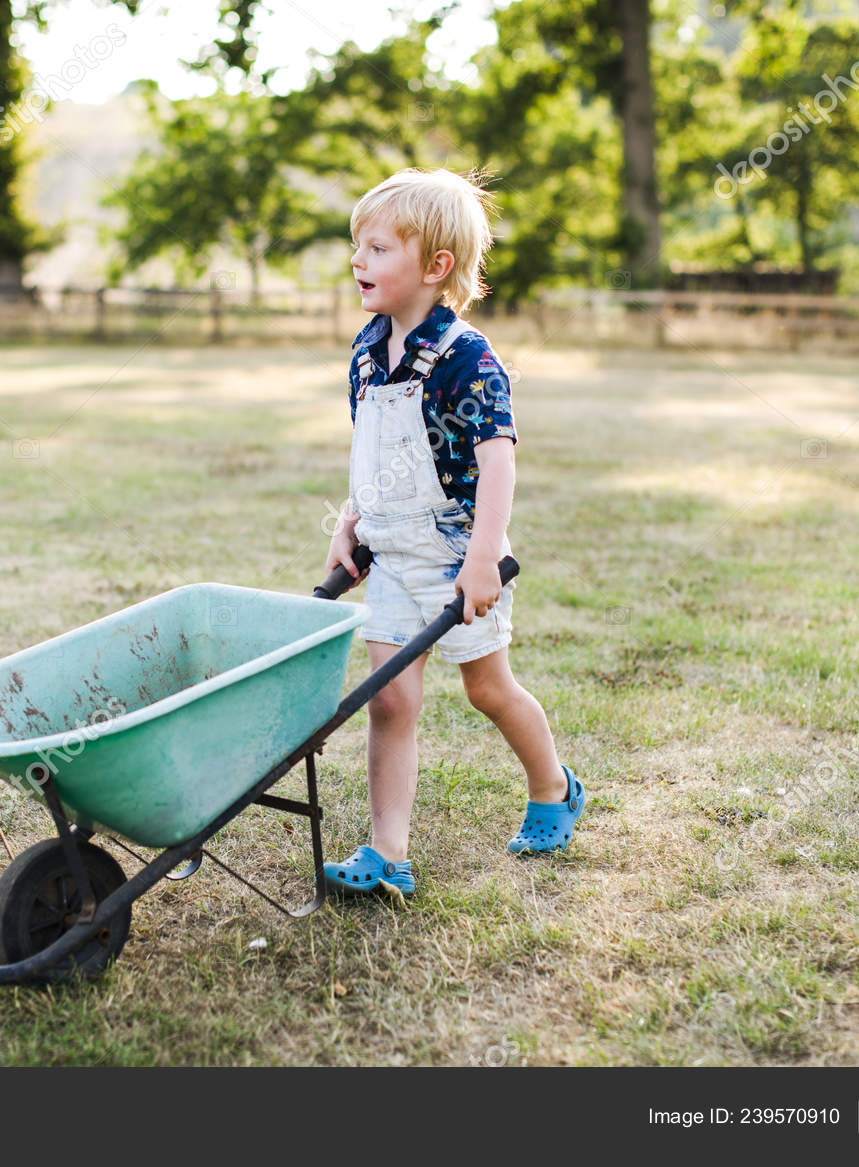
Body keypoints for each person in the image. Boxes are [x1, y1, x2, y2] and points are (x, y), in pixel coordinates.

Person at [323, 167, 585, 898]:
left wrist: (481, 559)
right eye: (357, 246)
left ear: (435, 267)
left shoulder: (468, 358)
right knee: (390, 699)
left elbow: (497, 460)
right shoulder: (368, 350)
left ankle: (553, 786)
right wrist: (351, 521)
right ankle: (388, 853)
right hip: (396, 553)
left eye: (377, 248)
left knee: (488, 689)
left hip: (459, 554)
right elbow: (368, 451)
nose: (358, 261)